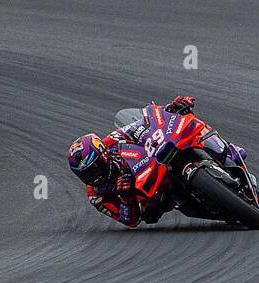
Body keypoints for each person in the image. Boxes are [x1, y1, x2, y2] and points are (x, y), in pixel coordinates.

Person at [66, 95, 198, 228]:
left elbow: (142, 124)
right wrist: (126, 199)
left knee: (181, 136)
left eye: (94, 169)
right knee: (151, 214)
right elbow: (129, 221)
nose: (92, 177)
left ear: (103, 154)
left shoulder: (111, 141)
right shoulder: (95, 195)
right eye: (85, 175)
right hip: (152, 198)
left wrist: (170, 108)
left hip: (153, 162)